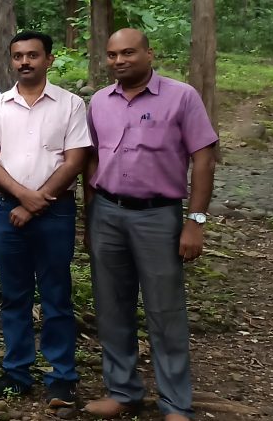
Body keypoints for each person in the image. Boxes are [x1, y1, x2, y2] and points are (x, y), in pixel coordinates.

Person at [82, 29, 217, 421]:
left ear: (148, 53)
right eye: (111, 55)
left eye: (128, 52)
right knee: (111, 306)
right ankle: (123, 391)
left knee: (165, 310)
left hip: (158, 215)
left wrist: (195, 221)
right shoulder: (99, 102)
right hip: (107, 212)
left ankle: (175, 403)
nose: (119, 61)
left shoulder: (181, 97)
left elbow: (204, 160)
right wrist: (91, 219)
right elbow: (91, 162)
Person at [0, 31, 92, 405]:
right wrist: (23, 198)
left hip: (55, 213)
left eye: (33, 56)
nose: (25, 62)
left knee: (57, 295)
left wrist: (35, 202)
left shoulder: (70, 105)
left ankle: (62, 376)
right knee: (14, 295)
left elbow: (75, 160)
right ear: (12, 61)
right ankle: (17, 371)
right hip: (6, 210)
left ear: (49, 60)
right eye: (18, 56)